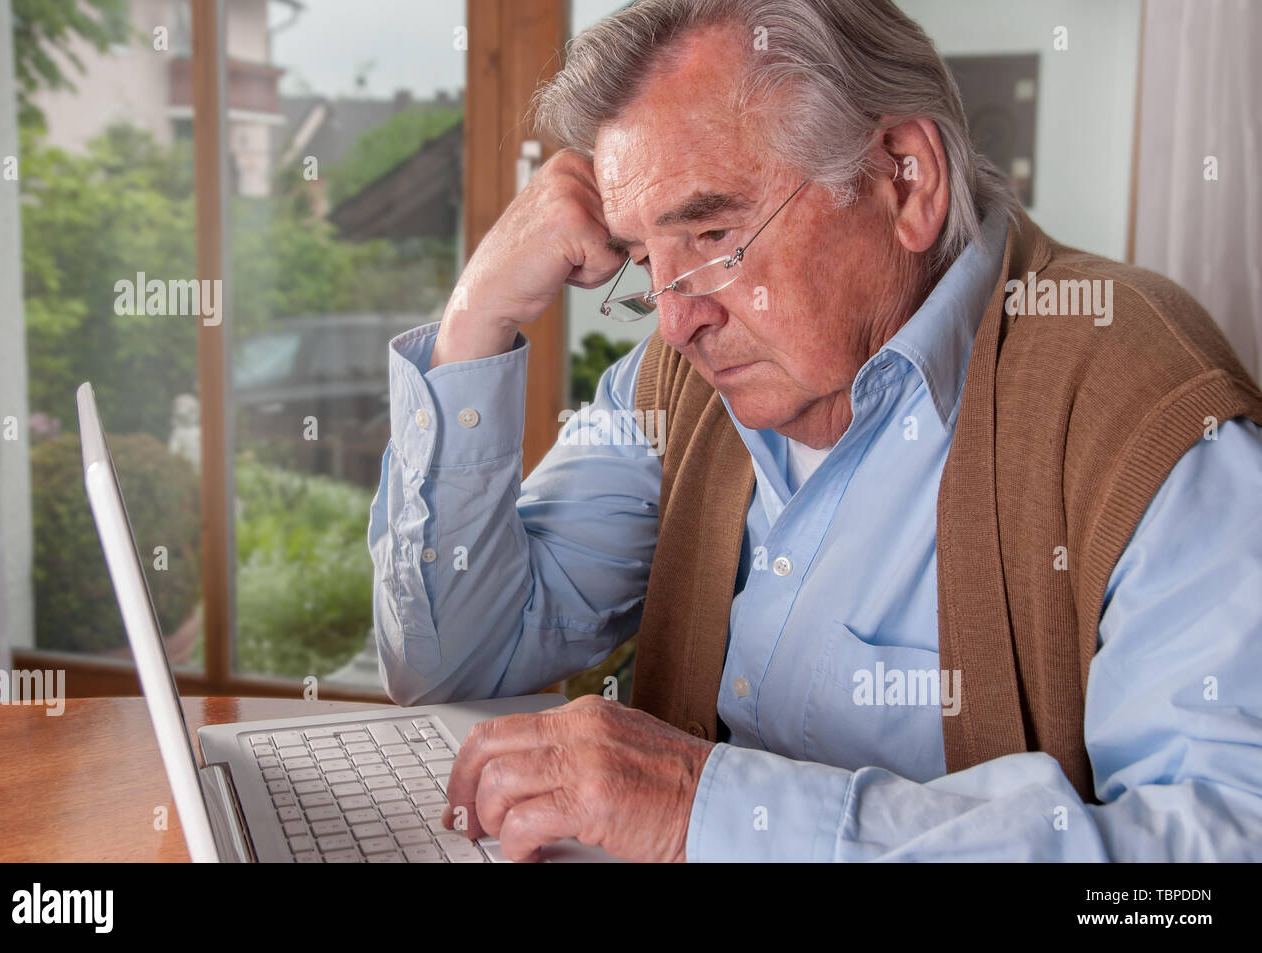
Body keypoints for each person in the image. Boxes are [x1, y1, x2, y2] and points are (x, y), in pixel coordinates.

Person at [367, 0, 1262, 861]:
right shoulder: (677, 382)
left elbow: (1211, 860)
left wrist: (703, 813)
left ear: (903, 177)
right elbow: (454, 663)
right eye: (646, 262)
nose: (675, 323)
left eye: (714, 236)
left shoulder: (1145, 407)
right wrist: (474, 314)